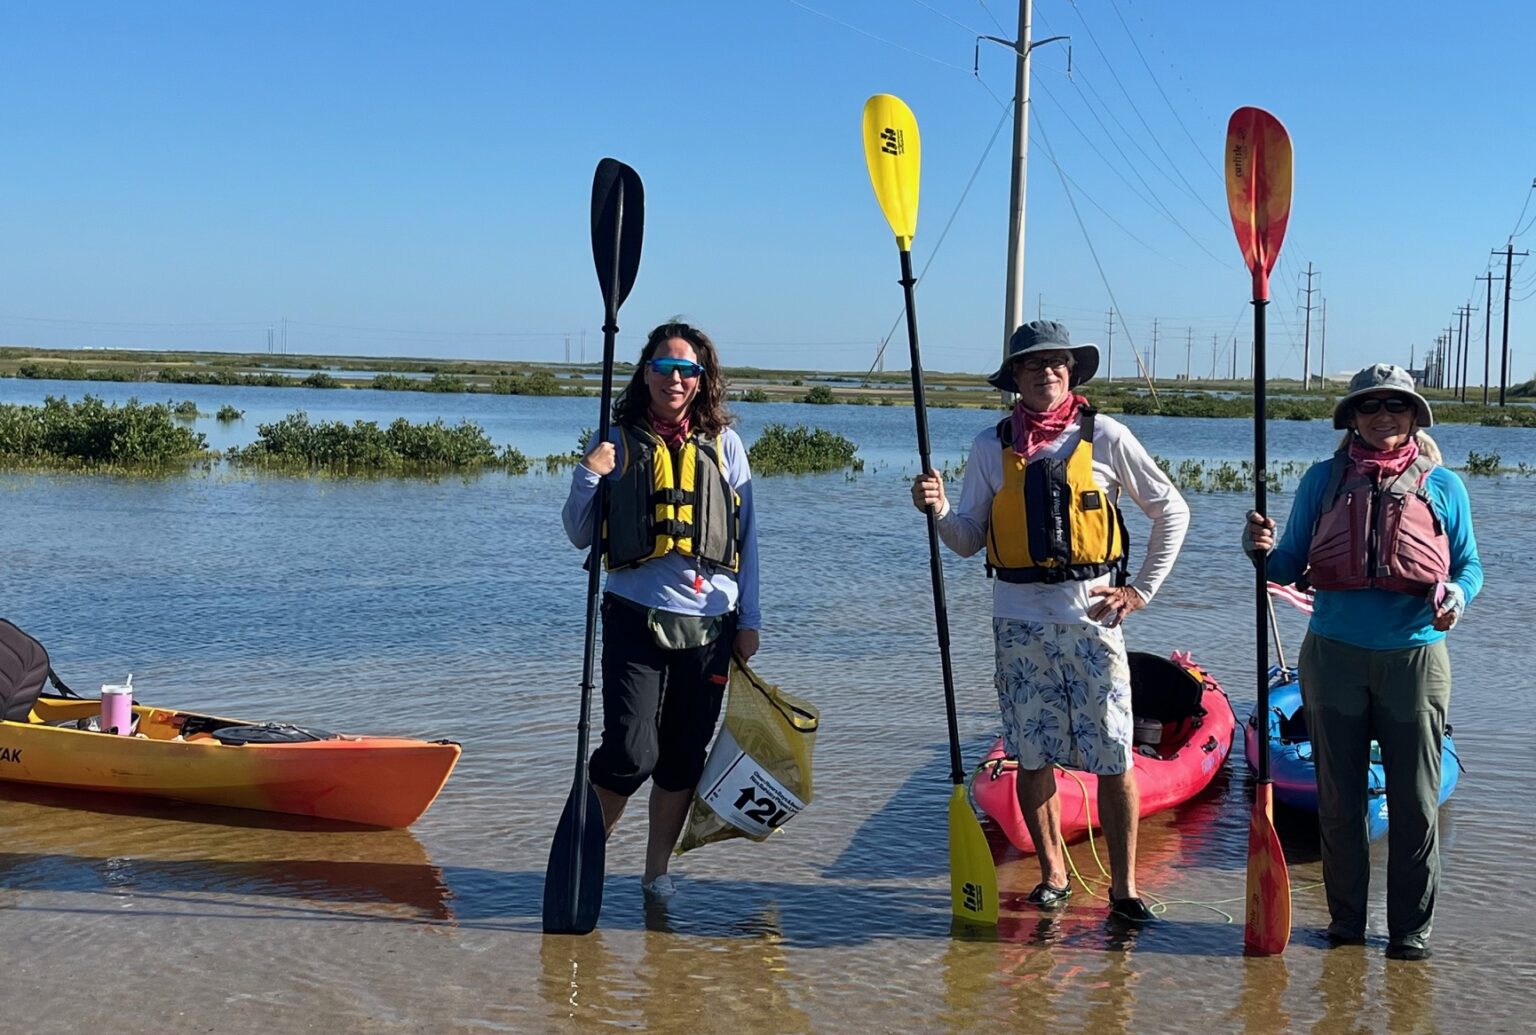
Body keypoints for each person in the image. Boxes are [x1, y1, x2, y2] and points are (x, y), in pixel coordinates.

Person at [911, 319, 1189, 923]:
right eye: (1034, 364)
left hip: (1092, 622)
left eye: (1058, 362)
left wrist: (1140, 591)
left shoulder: (1107, 436)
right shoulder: (991, 446)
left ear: (1072, 371)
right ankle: (1053, 875)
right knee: (1030, 755)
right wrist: (938, 512)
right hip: (1018, 624)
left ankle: (1124, 888)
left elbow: (1173, 510)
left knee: (1115, 756)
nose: (1047, 372)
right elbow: (967, 539)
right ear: (1015, 377)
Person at [1244, 363, 1481, 961]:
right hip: (1334, 658)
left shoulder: (1444, 486)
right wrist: (1258, 551)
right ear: (1351, 417)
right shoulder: (1321, 481)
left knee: (1418, 804)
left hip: (1416, 660)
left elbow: (1470, 568)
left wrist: (1456, 596)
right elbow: (1286, 567)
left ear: (1412, 417)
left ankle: (1409, 933)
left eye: (1395, 407)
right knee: (1339, 801)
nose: (1383, 417)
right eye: (1370, 407)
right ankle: (1346, 927)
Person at [562, 320, 761, 903]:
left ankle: (656, 875)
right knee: (629, 751)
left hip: (711, 625)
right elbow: (579, 534)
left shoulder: (725, 445)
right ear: (645, 371)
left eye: (687, 370)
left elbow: (748, 540)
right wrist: (587, 475)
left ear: (702, 380)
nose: (675, 379)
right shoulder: (615, 440)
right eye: (664, 366)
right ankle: (584, 862)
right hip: (633, 614)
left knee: (681, 758)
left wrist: (750, 621)